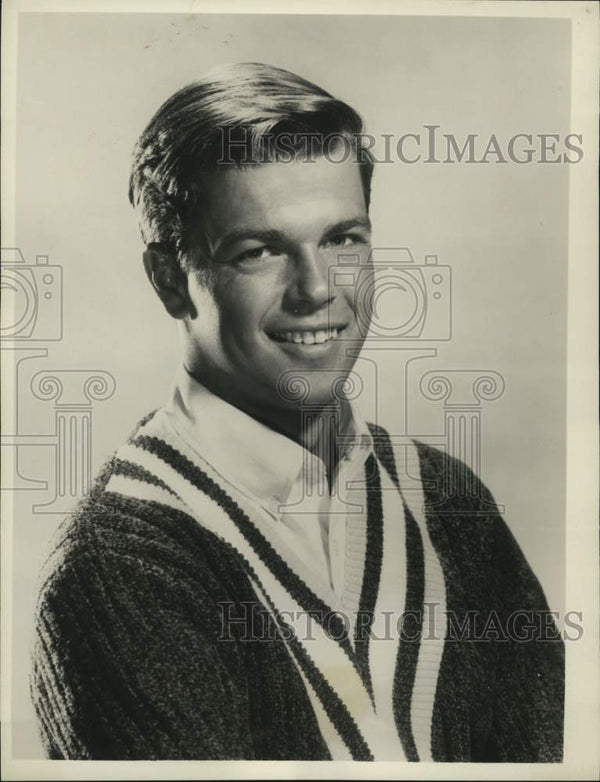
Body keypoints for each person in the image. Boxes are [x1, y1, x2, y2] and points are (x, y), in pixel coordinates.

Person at [31, 62, 564, 762]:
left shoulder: (448, 504)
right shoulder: (117, 572)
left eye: (343, 239)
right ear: (169, 278)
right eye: (260, 251)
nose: (317, 290)